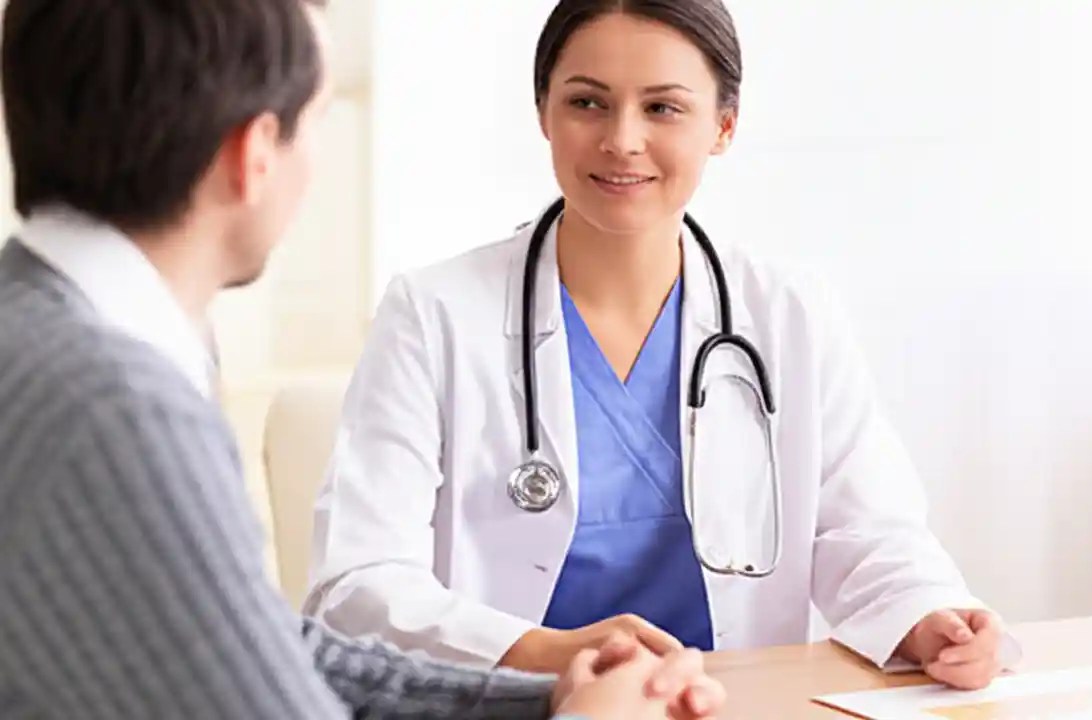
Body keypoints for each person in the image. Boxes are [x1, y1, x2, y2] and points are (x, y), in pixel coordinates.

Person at [0, 0, 726, 718]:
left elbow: (266, 645)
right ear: (253, 155)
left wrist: (545, 697)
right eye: (315, 123)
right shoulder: (116, 407)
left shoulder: (39, 333)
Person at [306, 0, 1015, 692]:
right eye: (587, 102)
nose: (621, 139)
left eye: (663, 108)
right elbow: (357, 584)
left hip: (730, 705)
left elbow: (870, 534)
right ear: (542, 113)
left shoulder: (790, 314)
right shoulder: (433, 315)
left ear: (724, 126)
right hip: (519, 708)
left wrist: (930, 619)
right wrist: (545, 654)